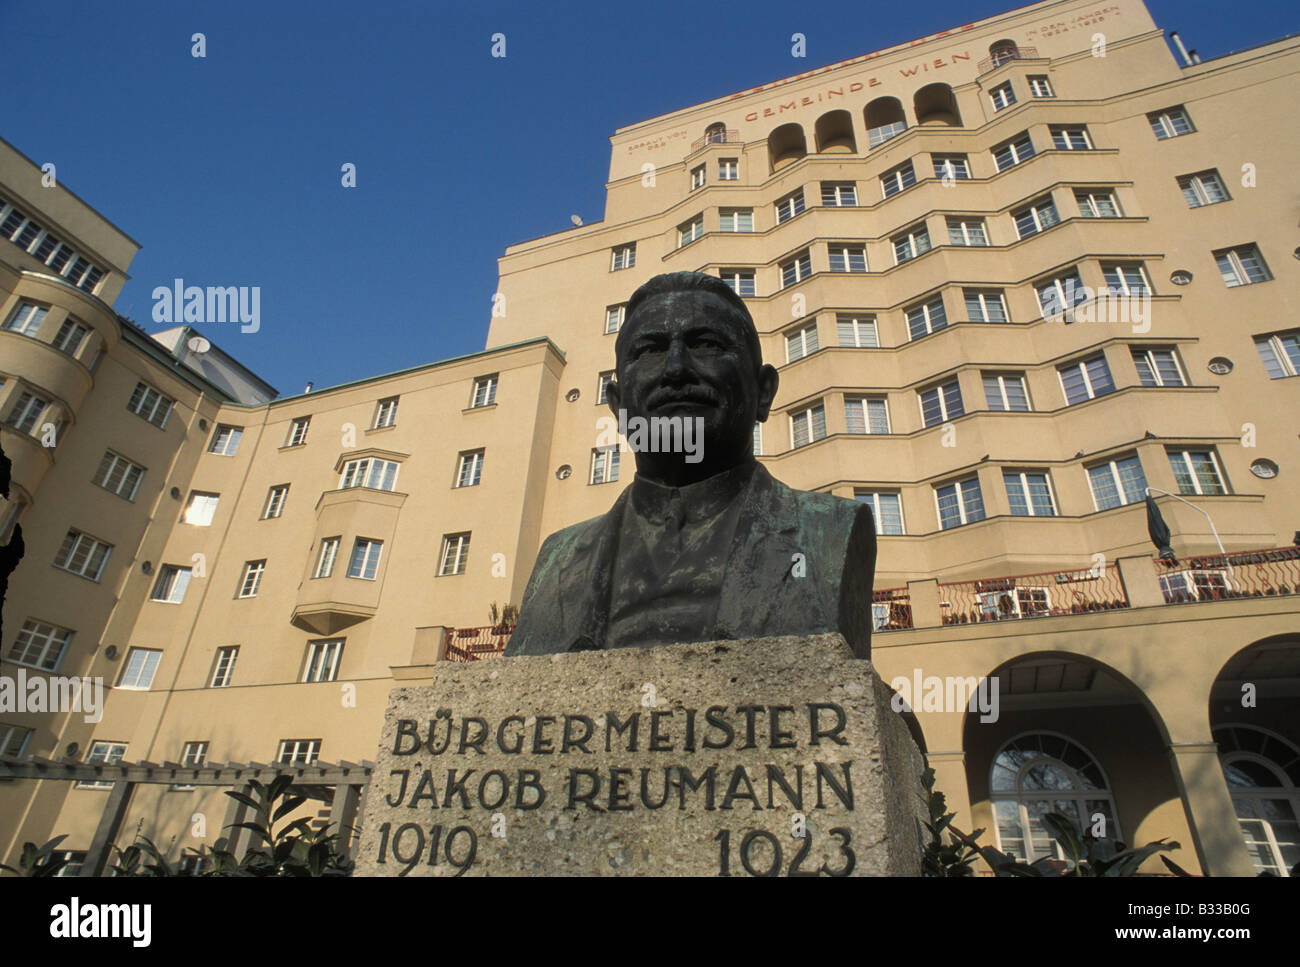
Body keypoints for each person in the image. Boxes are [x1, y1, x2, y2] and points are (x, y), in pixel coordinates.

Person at [505, 271, 877, 658]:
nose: (675, 369)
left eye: (707, 344)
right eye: (649, 350)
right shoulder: (559, 558)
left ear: (763, 393)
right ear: (618, 408)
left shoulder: (830, 530)